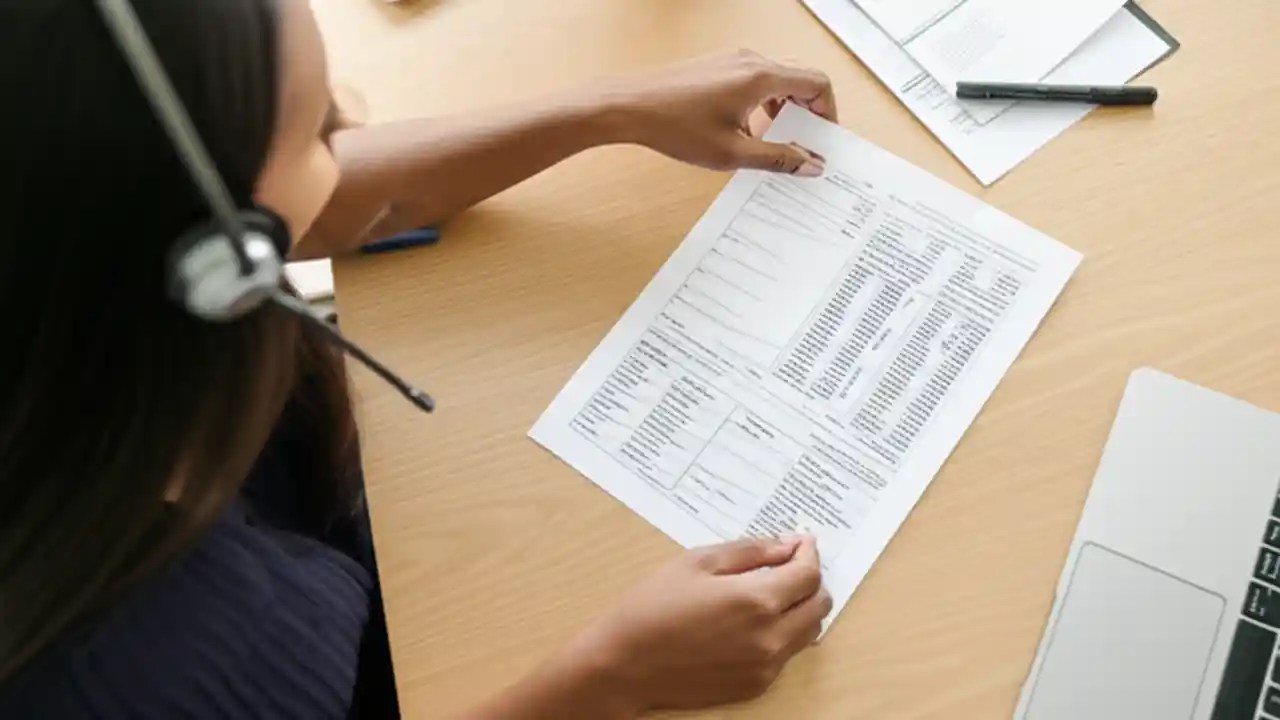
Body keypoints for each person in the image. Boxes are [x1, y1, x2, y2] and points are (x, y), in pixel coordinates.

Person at [0, 0, 838, 717]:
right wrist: (608, 679)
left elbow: (314, 200)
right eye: (321, 129)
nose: (353, 130)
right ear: (220, 260)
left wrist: (611, 109)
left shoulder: (68, 267)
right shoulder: (160, 670)